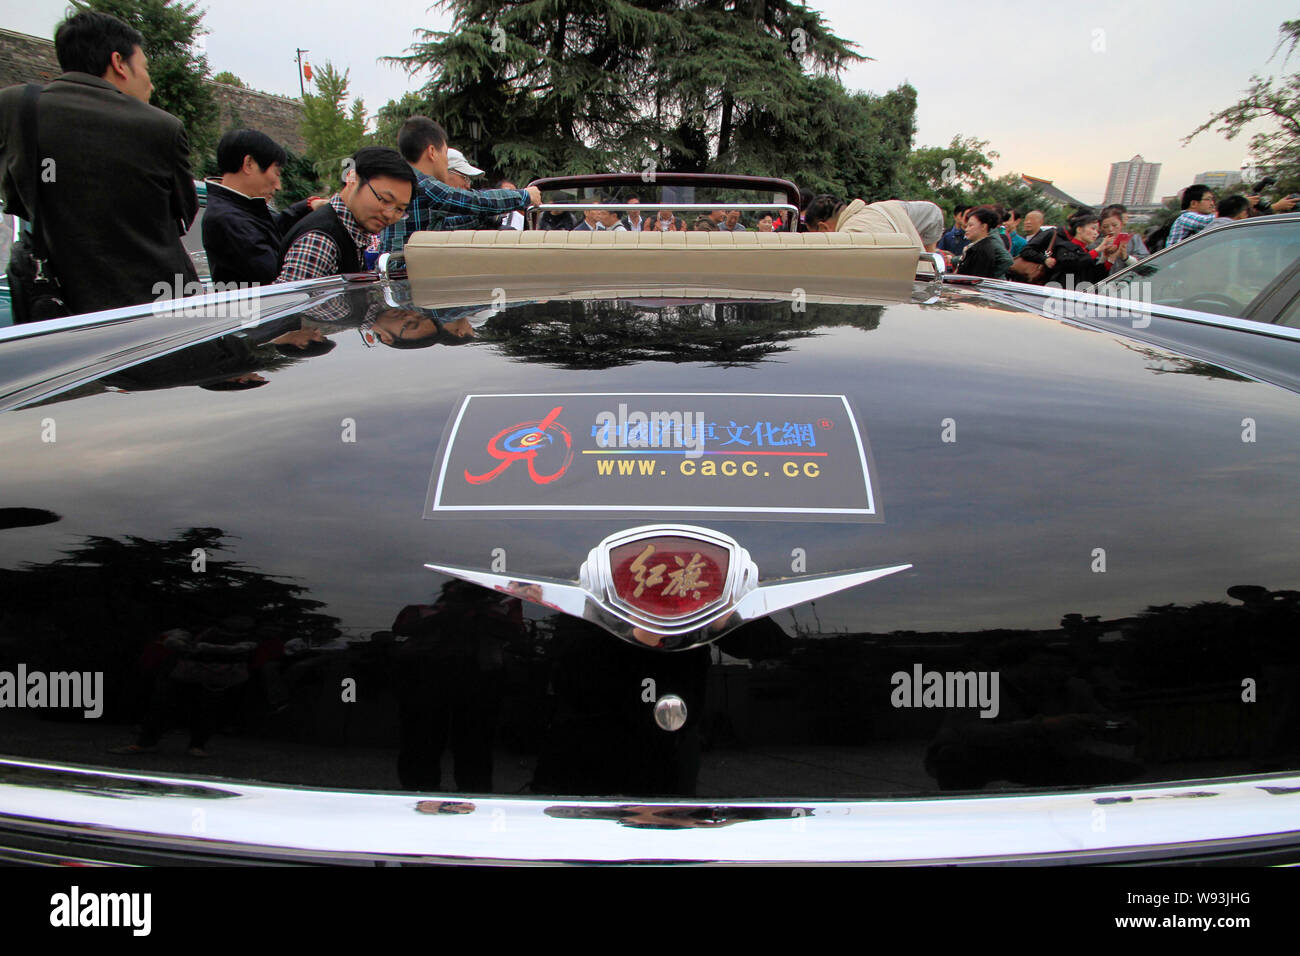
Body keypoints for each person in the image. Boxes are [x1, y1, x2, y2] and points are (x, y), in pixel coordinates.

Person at [0, 10, 199, 317]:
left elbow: (15, 198)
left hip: (64, 311)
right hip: (159, 307)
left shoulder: (18, 108)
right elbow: (185, 212)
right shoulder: (162, 127)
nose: (150, 84)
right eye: (144, 68)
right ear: (119, 62)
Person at [379, 116, 538, 253]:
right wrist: (524, 195)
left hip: (399, 267)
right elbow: (473, 201)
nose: (446, 161)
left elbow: (441, 227)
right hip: (406, 271)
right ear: (432, 152)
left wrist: (484, 219)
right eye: (444, 153)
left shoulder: (403, 179)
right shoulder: (422, 184)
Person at [276, 146, 416, 282]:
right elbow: (291, 297)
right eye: (385, 200)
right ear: (352, 179)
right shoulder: (321, 241)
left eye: (399, 210)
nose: (389, 215)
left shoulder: (351, 233)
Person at [202, 129, 322, 285]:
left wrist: (309, 206)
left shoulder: (240, 208)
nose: (278, 186)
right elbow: (276, 276)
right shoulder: (228, 219)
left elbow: (273, 227)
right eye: (276, 173)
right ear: (249, 164)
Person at [1027, 210, 1125, 287]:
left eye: (1097, 230)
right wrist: (1098, 249)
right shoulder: (1064, 247)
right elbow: (1072, 263)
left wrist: (1109, 258)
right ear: (1079, 229)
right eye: (1093, 228)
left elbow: (1095, 277)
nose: (1096, 233)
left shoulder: (1085, 252)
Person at [803, 195, 925, 248]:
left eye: (815, 235)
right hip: (926, 285)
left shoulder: (849, 236)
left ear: (823, 228)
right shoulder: (887, 207)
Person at [954, 206, 1013, 279]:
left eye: (970, 225)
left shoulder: (983, 249)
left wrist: (992, 277)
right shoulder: (977, 247)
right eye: (967, 225)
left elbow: (974, 278)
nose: (966, 229)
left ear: (983, 226)